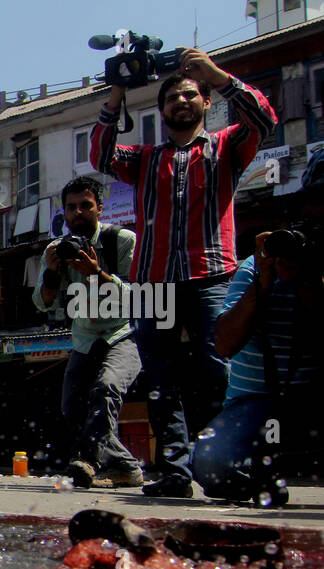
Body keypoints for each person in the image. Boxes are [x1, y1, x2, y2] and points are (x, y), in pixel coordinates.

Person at [91, 49, 277, 498]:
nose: (180, 101)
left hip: (213, 275)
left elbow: (264, 120)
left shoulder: (229, 144)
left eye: (190, 94)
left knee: (219, 372)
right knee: (161, 379)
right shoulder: (145, 157)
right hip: (152, 282)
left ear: (206, 102)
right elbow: (101, 154)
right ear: (162, 110)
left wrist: (216, 74)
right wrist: (117, 91)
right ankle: (174, 471)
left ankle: (228, 466)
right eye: (172, 96)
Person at [193, 149, 324, 507]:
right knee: (211, 464)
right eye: (315, 206)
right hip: (259, 402)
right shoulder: (256, 267)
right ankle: (260, 478)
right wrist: (263, 285)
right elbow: (223, 345)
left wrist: (308, 283)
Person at [33, 175, 143, 489]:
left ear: (100, 209)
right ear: (63, 213)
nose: (78, 213)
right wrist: (53, 273)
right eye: (71, 208)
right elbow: (42, 303)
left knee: (106, 387)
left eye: (85, 206)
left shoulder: (122, 241)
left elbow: (140, 296)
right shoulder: (57, 250)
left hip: (123, 332)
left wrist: (97, 274)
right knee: (72, 407)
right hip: (83, 336)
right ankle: (124, 466)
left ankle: (91, 460)